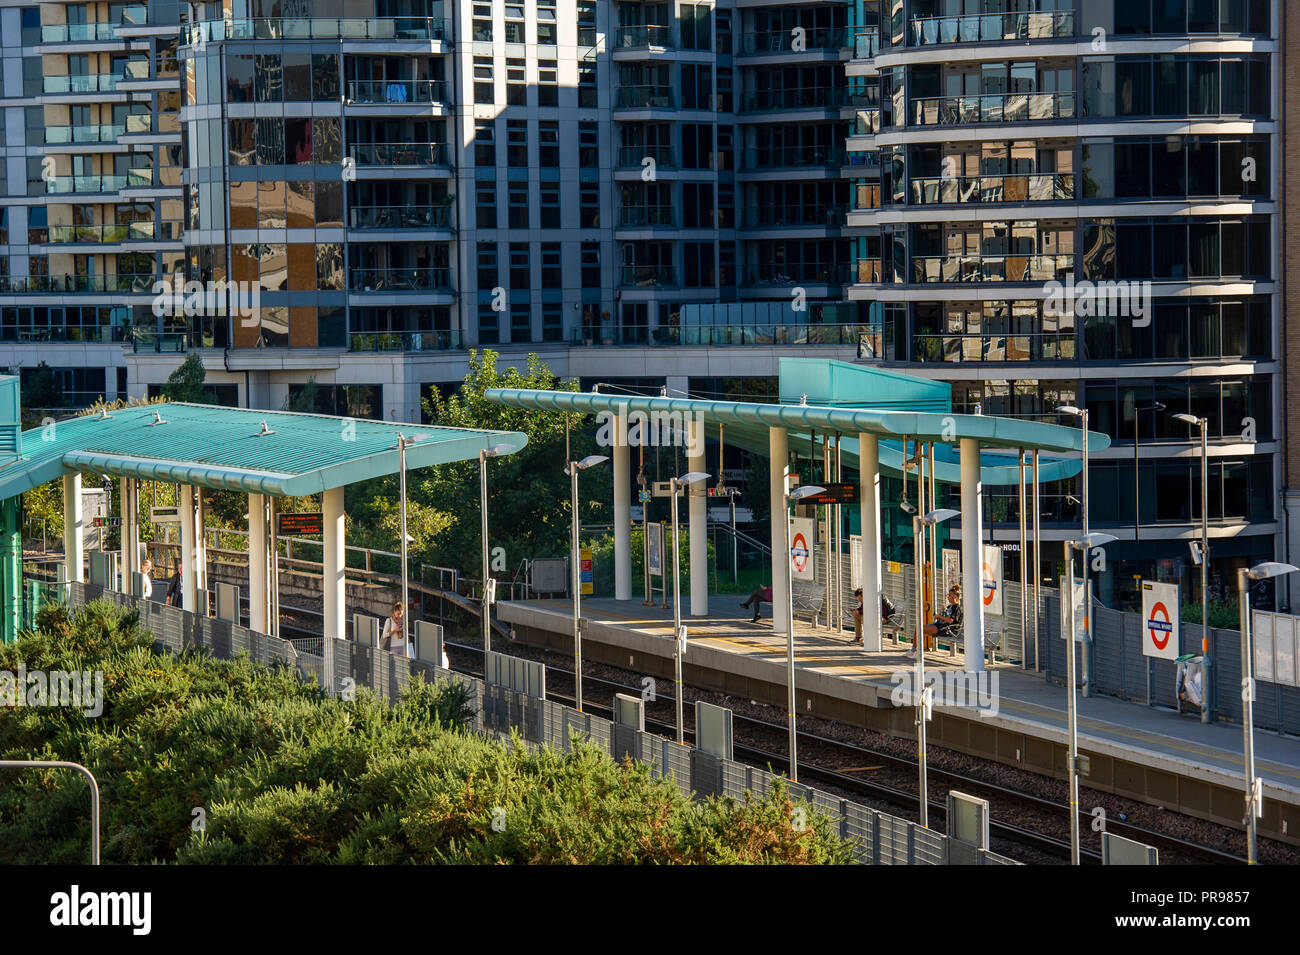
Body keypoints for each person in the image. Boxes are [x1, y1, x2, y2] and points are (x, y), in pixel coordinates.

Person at [909, 584, 962, 659]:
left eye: (950, 595)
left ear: (955, 597)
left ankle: (918, 652)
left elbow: (951, 620)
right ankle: (913, 650)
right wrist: (941, 611)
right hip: (940, 626)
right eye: (948, 595)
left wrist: (940, 616)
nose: (948, 597)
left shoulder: (956, 608)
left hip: (948, 629)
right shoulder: (949, 607)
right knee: (918, 628)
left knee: (921, 629)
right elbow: (936, 618)